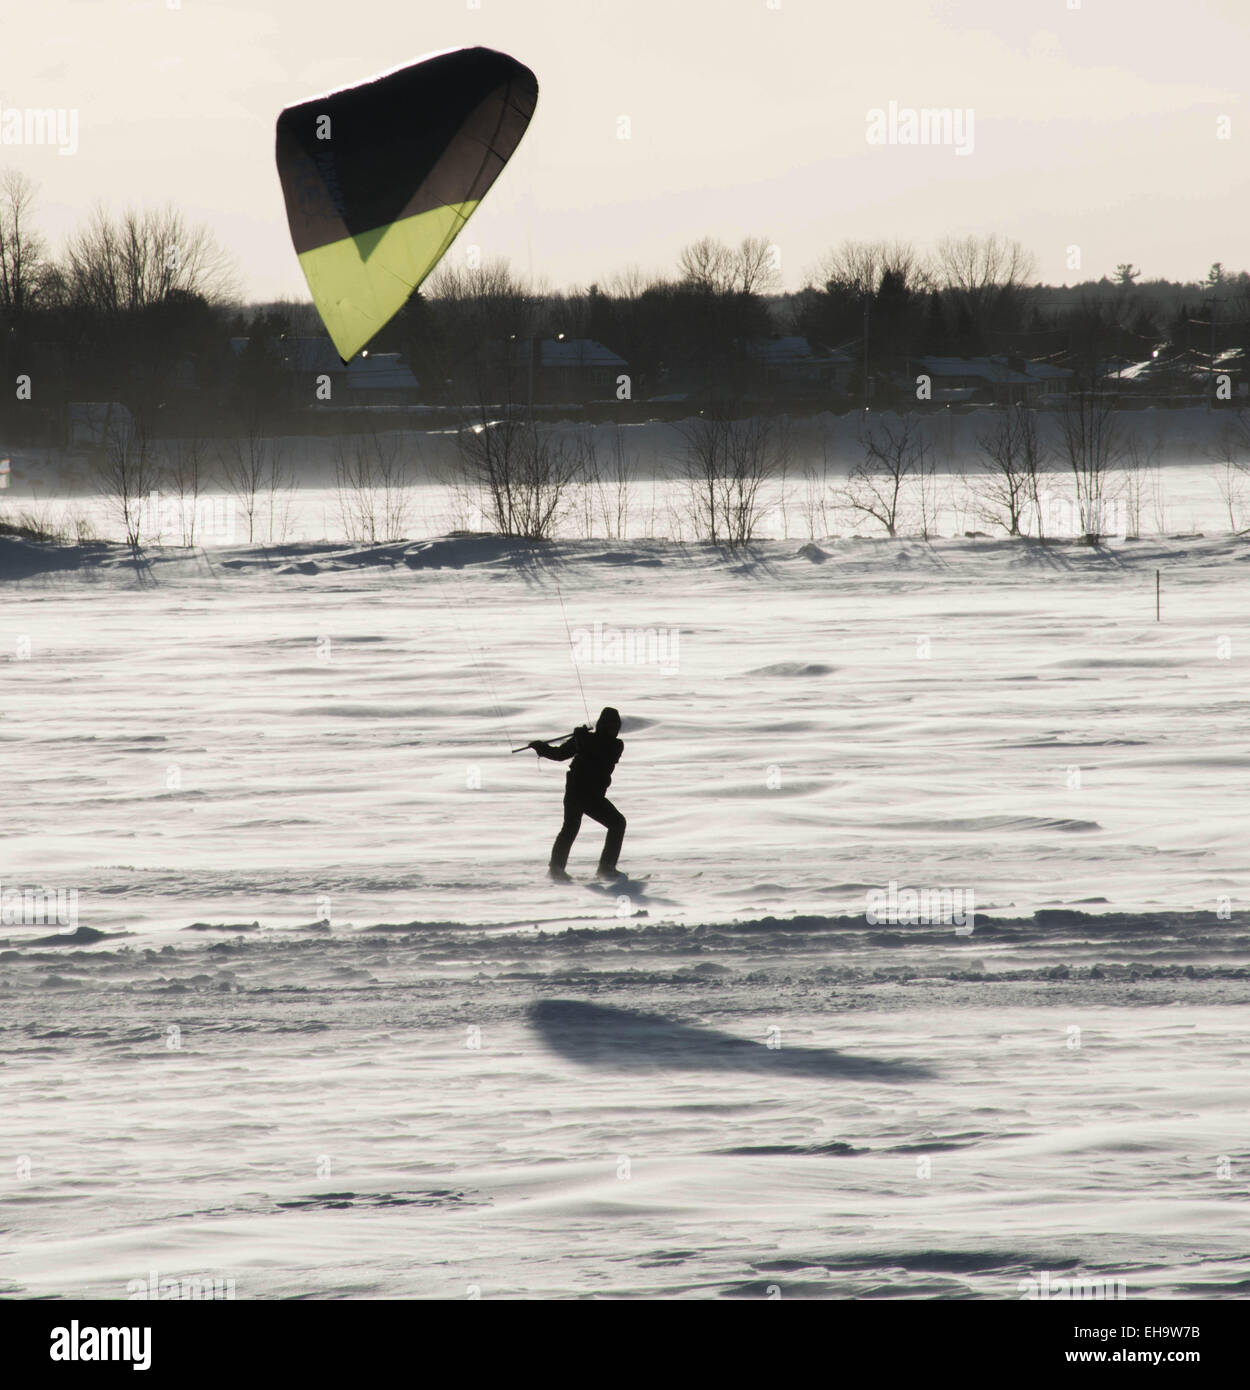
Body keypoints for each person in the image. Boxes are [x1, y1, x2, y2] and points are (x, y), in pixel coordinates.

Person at [528, 706, 626, 881]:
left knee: (617, 823)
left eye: (615, 727)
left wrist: (581, 738)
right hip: (576, 792)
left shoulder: (615, 745)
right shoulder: (586, 739)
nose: (613, 731)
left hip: (593, 796)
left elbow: (601, 753)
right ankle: (556, 869)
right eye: (610, 727)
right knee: (571, 828)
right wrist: (541, 748)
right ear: (602, 726)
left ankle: (606, 868)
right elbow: (559, 754)